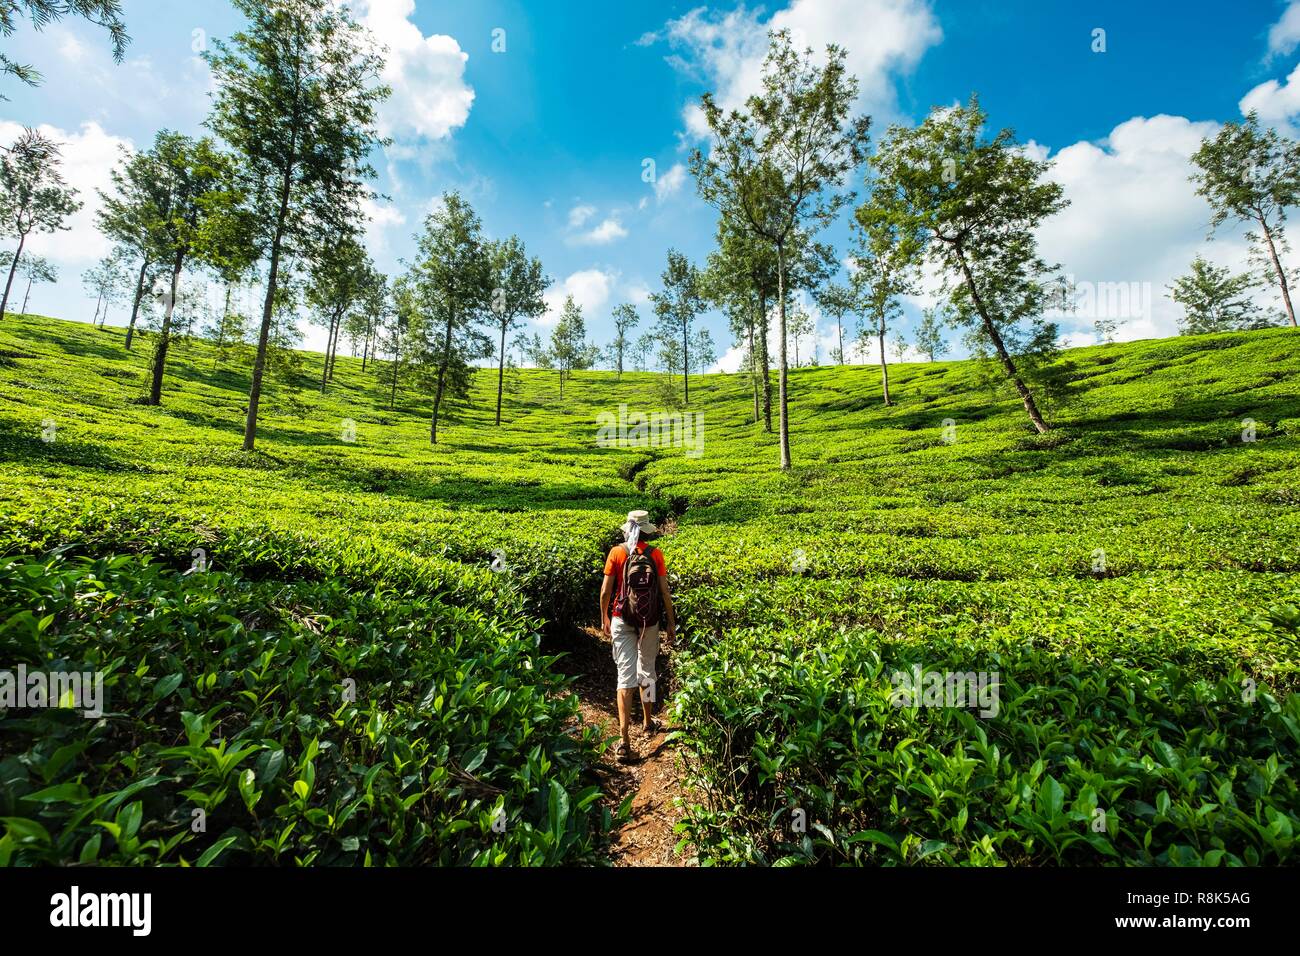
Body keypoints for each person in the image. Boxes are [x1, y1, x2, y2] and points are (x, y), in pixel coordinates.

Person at [600, 509, 676, 763]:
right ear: (646, 530)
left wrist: (605, 617)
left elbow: (605, 592)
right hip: (650, 621)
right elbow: (664, 592)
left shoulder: (617, 552)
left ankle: (623, 740)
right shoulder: (655, 554)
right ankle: (647, 720)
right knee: (648, 671)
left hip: (622, 617)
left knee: (625, 676)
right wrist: (671, 623)